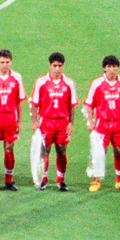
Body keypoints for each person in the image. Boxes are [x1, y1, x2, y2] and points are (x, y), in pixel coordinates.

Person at [82, 54, 120, 192]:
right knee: (99, 153)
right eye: (109, 67)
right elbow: (89, 104)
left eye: (114, 66)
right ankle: (96, 181)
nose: (112, 69)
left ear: (118, 68)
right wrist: (90, 121)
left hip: (119, 123)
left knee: (119, 151)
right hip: (103, 124)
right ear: (104, 68)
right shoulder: (97, 83)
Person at [31, 53, 76, 192]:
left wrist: (71, 123)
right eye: (54, 66)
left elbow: (72, 105)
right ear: (50, 65)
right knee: (45, 151)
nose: (57, 69)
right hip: (46, 121)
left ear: (63, 66)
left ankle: (60, 180)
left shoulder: (69, 83)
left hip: (62, 122)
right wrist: (34, 121)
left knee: (62, 150)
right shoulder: (41, 82)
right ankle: (44, 179)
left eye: (60, 66)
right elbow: (34, 104)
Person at [0, 49, 27, 191]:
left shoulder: (17, 78)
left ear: (11, 62)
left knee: (9, 147)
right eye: (2, 62)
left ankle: (9, 180)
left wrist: (19, 121)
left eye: (7, 62)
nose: (5, 65)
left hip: (10, 117)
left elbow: (20, 101)